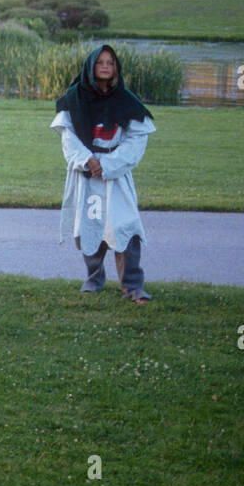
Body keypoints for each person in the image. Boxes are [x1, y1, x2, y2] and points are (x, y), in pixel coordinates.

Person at [51, 44, 156, 303]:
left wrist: (107, 165)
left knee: (126, 227)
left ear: (116, 67)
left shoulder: (126, 101)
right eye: (101, 62)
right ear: (91, 67)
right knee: (90, 227)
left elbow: (136, 141)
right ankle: (93, 279)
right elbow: (69, 138)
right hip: (86, 176)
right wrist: (89, 161)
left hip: (116, 176)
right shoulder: (74, 98)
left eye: (111, 62)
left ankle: (132, 286)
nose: (106, 67)